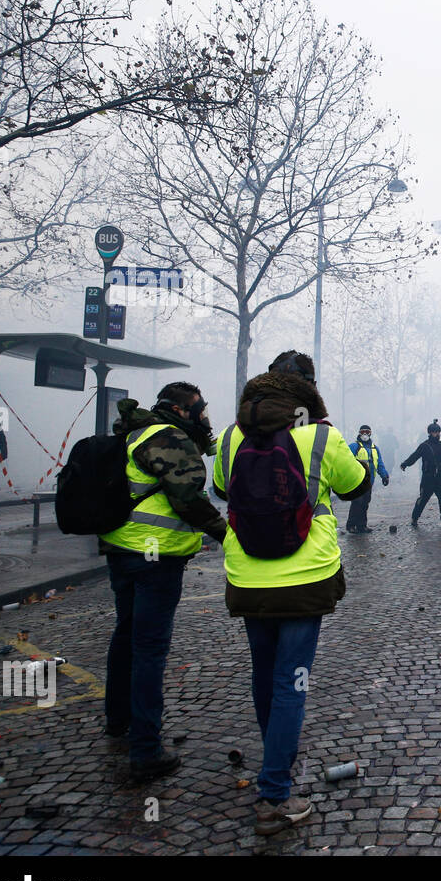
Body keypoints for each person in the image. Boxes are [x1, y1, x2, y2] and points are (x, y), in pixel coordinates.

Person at [213, 350, 371, 836]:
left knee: (265, 675)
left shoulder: (230, 434)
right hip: (306, 575)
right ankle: (276, 793)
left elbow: (221, 489)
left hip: (248, 576)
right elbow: (356, 488)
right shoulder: (321, 434)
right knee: (292, 682)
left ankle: (276, 760)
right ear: (307, 386)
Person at [100, 383, 225, 782]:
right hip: (155, 557)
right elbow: (187, 498)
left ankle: (117, 721)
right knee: (149, 648)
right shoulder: (168, 437)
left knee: (126, 634)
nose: (205, 414)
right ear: (179, 409)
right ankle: (146, 750)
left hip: (121, 549)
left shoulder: (134, 432)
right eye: (199, 408)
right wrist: (227, 534)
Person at [400, 421, 441, 527]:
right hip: (428, 478)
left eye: (438, 432)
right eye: (434, 432)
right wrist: (405, 464)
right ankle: (415, 518)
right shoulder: (425, 446)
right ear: (430, 433)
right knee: (423, 499)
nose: (437, 434)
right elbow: (415, 456)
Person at [346, 424, 389, 533]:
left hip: (369, 482)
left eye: (367, 432)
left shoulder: (375, 448)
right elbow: (345, 461)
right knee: (357, 503)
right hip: (356, 481)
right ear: (359, 433)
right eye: (363, 432)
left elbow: (379, 463)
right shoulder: (354, 446)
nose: (365, 434)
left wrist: (384, 475)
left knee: (365, 503)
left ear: (370, 433)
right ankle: (351, 525)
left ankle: (361, 525)